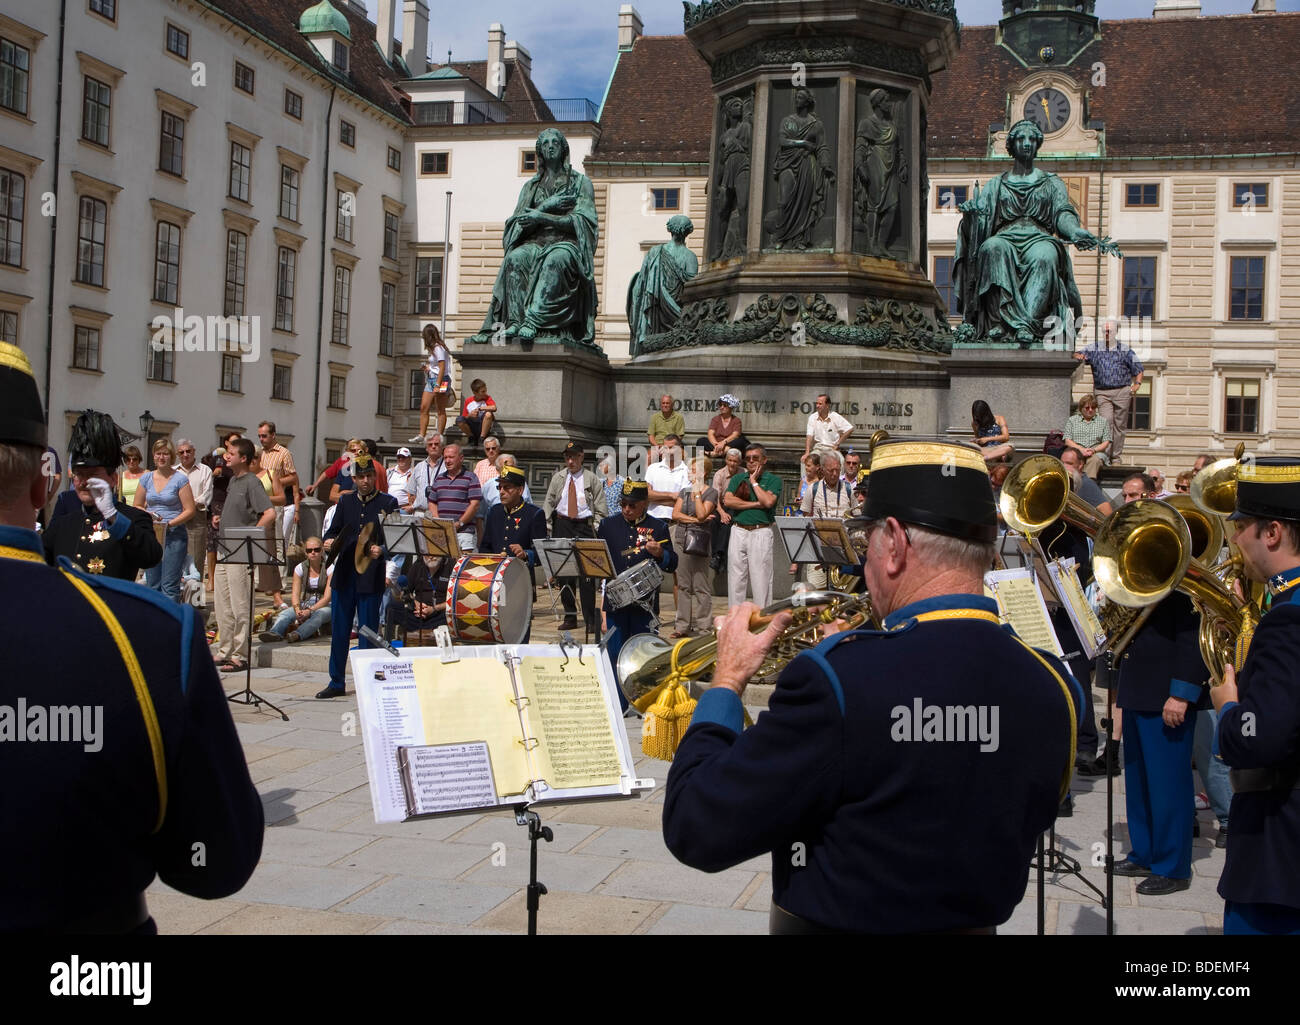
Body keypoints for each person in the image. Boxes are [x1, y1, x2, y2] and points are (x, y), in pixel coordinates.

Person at [663, 439, 1080, 933]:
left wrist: (728, 682)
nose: (863, 563)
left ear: (897, 543)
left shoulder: (837, 680)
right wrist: (859, 656)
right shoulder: (1056, 686)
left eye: (867, 544)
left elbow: (697, 825)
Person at [0, 341, 263, 933]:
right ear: (45, 489)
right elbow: (215, 864)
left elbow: (143, 550)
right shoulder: (158, 636)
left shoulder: (128, 523)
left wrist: (115, 513)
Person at [1107, 474, 1206, 895]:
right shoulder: (1143, 577)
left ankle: (1173, 866)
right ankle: (1144, 852)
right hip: (1139, 685)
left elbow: (1194, 638)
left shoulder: (1186, 584)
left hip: (1168, 691)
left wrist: (1182, 692)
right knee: (1141, 780)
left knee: (1169, 784)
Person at [1212, 458, 1300, 933]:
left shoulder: (1288, 618)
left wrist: (1228, 706)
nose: (1236, 541)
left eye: (1241, 526)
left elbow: (1260, 738)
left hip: (1278, 850)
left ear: (1271, 533)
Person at [955, 118, 1117, 347]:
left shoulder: (1051, 183)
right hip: (1005, 236)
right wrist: (970, 216)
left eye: (1032, 139)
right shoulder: (995, 185)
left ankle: (1027, 325)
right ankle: (1000, 324)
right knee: (992, 248)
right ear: (1011, 146)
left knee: (1045, 256)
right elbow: (978, 226)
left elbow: (1062, 213)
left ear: (1038, 145)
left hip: (1038, 237)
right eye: (1021, 138)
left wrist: (1075, 231)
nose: (1027, 143)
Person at [474, 127, 598, 347]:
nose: (550, 146)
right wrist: (547, 207)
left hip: (565, 243)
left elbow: (584, 223)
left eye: (555, 143)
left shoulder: (580, 183)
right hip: (534, 242)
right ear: (540, 151)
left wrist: (542, 217)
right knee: (515, 258)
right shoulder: (530, 187)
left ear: (563, 149)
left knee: (556, 259)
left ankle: (531, 321)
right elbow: (516, 226)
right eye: (545, 143)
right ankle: (514, 321)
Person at [44, 411, 162, 580]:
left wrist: (112, 516)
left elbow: (151, 556)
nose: (84, 482)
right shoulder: (64, 522)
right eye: (79, 475)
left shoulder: (133, 518)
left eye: (92, 474)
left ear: (113, 479)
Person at [320, 455, 398, 699]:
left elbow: (396, 540)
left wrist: (381, 550)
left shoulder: (389, 502)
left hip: (369, 576)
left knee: (367, 631)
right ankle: (336, 681)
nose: (365, 481)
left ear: (375, 477)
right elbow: (332, 532)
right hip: (344, 574)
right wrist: (328, 542)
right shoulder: (345, 503)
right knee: (340, 631)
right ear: (353, 478)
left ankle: (367, 682)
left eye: (369, 476)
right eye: (360, 477)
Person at [597, 480, 678, 711]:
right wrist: (602, 610)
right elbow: (602, 571)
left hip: (645, 607)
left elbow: (673, 564)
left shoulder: (658, 528)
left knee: (644, 658)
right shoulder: (608, 525)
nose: (626, 509)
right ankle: (618, 705)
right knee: (614, 655)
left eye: (632, 505)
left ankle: (645, 704)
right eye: (623, 504)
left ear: (644, 504)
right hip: (615, 605)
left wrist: (661, 552)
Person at [211, 438, 275, 673]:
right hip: (224, 550)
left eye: (231, 453)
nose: (226, 456)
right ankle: (225, 650)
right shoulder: (232, 481)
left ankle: (241, 654)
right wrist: (220, 519)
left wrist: (252, 534)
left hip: (240, 552)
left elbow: (269, 513)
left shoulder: (252, 482)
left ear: (244, 458)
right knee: (222, 605)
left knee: (240, 605)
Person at [542, 441, 607, 634]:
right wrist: (547, 524)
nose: (570, 461)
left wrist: (595, 526)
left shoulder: (592, 479)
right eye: (567, 457)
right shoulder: (558, 478)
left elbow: (601, 506)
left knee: (587, 576)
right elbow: (549, 502)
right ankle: (570, 615)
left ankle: (589, 619)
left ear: (581, 457)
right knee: (565, 574)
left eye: (574, 457)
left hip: (583, 526)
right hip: (562, 524)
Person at [482, 465, 548, 643]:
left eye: (507, 487)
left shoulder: (534, 514)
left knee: (517, 633)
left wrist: (526, 553)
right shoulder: (494, 512)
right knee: (496, 629)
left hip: (520, 583)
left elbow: (543, 554)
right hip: (496, 583)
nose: (502, 492)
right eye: (500, 487)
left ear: (520, 490)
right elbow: (485, 546)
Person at [763, 87, 834, 251]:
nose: (797, 100)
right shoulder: (787, 121)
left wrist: (826, 166)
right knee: (784, 200)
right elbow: (782, 141)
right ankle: (781, 236)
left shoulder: (816, 125)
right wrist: (803, 143)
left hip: (807, 164)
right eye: (796, 97)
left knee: (805, 202)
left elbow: (822, 147)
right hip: (787, 163)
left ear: (808, 101)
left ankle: (799, 239)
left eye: (800, 97)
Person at [135, 438, 196, 603]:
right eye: (158, 454)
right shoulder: (146, 479)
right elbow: (137, 505)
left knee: (169, 585)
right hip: (153, 534)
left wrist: (170, 523)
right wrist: (149, 516)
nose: (161, 457)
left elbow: (190, 510)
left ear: (171, 456)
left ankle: (171, 623)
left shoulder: (180, 479)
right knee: (152, 583)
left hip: (174, 534)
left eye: (165, 454)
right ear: (153, 456)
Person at [627, 218, 698, 357]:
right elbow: (692, 286)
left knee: (653, 338)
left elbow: (641, 284)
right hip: (678, 312)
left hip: (654, 306)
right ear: (688, 232)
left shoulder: (655, 252)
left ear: (669, 230)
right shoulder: (690, 257)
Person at [724, 443, 782, 609]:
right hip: (738, 529)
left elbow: (769, 501)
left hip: (760, 531)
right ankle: (735, 619)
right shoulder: (737, 478)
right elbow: (728, 500)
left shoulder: (773, 480)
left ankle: (761, 621)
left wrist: (753, 482)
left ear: (764, 460)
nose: (750, 462)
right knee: (735, 579)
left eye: (755, 458)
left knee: (761, 580)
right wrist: (756, 504)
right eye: (747, 459)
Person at [1073, 338, 1143, 463]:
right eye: (1105, 331)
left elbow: (1138, 367)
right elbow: (1077, 354)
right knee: (1106, 422)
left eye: (1110, 331)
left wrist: (1137, 384)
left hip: (1122, 391)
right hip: (1102, 392)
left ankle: (1115, 457)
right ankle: (1105, 456)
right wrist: (1079, 356)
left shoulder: (1125, 350)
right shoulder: (1095, 348)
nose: (1107, 334)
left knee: (1119, 425)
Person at [670, 456, 717, 639]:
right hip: (681, 539)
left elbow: (703, 511)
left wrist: (697, 493)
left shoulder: (711, 493)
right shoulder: (683, 491)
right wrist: (697, 520)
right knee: (683, 584)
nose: (690, 473)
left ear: (703, 472)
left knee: (700, 585)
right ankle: (682, 625)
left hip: (699, 541)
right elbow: (676, 514)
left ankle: (705, 627)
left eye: (693, 469)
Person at [795, 451, 852, 590]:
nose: (834, 474)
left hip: (843, 549)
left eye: (837, 470)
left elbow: (855, 517)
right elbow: (806, 517)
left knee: (842, 593)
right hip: (818, 549)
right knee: (816, 591)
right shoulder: (812, 489)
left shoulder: (848, 489)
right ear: (822, 469)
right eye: (830, 470)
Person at [259, 536, 332, 644]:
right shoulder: (300, 568)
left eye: (316, 550)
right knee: (286, 614)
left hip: (327, 605)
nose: (313, 553)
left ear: (322, 551)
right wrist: (297, 609)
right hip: (306, 603)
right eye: (309, 550)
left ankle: (297, 634)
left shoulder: (330, 568)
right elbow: (295, 594)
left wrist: (310, 610)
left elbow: (327, 598)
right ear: (305, 553)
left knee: (319, 615)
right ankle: (275, 632)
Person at [426, 443, 482, 554]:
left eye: (451, 457)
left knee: (463, 568)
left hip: (464, 533)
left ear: (461, 458)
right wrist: (440, 523)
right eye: (445, 457)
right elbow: (432, 502)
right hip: (442, 533)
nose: (447, 461)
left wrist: (459, 523)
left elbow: (475, 504)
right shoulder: (439, 478)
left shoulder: (471, 477)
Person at [203, 432, 241, 591]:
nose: (235, 444)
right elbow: (206, 477)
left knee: (229, 539)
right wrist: (214, 473)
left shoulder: (238, 460)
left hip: (232, 501)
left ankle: (226, 578)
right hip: (217, 501)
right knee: (212, 541)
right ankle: (211, 578)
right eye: (232, 442)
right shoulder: (216, 459)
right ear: (226, 443)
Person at [256, 421, 299, 556]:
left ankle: (280, 575)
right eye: (259, 436)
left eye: (264, 436)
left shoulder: (284, 453)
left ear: (273, 435)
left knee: (277, 541)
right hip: (259, 502)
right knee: (260, 539)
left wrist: (274, 482)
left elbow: (293, 478)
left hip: (275, 500)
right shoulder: (259, 453)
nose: (261, 439)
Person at [176, 439, 212, 578]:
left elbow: (206, 496)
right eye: (182, 452)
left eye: (188, 451)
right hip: (176, 517)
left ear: (194, 451)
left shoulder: (205, 470)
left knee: (196, 560)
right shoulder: (173, 471)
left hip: (196, 518)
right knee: (176, 559)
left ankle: (195, 599)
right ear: (178, 454)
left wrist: (188, 504)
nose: (185, 454)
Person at [411, 323, 453, 443]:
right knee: (424, 407)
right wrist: (428, 368)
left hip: (441, 380)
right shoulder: (434, 348)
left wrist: (437, 384)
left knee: (440, 409)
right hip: (432, 378)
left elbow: (442, 366)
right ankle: (421, 435)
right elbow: (437, 366)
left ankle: (439, 435)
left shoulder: (438, 348)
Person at [1063, 394, 1112, 480]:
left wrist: (1093, 450)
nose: (1090, 410)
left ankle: (1088, 484)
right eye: (1087, 408)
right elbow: (1067, 440)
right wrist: (1081, 450)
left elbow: (1106, 442)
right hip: (1076, 451)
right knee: (1072, 460)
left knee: (1094, 460)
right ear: (1081, 408)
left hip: (1096, 452)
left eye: (1093, 408)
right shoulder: (1072, 420)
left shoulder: (1103, 421)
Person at [710, 447, 742, 571]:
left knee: (727, 523)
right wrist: (722, 512)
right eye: (730, 460)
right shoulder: (719, 474)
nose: (732, 464)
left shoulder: (743, 473)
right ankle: (716, 555)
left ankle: (719, 555)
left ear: (739, 462)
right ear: (726, 460)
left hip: (737, 505)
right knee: (714, 521)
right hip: (721, 505)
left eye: (735, 461)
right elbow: (715, 497)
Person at [697, 393, 748, 461]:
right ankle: (722, 453)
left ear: (731, 407)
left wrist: (723, 443)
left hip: (729, 444)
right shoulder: (716, 419)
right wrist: (717, 445)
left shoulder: (736, 420)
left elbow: (735, 435)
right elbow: (710, 433)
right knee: (701, 441)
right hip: (716, 445)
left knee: (741, 441)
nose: (721, 407)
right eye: (720, 405)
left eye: (724, 405)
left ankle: (715, 454)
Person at [804, 394, 854, 459]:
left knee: (840, 461)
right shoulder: (812, 417)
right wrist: (807, 452)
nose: (817, 406)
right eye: (817, 403)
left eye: (820, 404)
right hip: (818, 449)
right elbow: (809, 435)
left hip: (832, 449)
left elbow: (850, 429)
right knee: (807, 461)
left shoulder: (835, 417)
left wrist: (837, 444)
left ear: (827, 405)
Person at [406, 434, 445, 514]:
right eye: (430, 444)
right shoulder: (419, 467)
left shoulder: (447, 467)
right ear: (426, 448)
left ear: (442, 447)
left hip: (440, 514)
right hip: (420, 513)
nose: (433, 447)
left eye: (436, 444)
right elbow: (411, 492)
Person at [456, 379, 497, 447]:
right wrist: (470, 415)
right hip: (472, 426)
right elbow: (464, 417)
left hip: (483, 425)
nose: (485, 393)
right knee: (459, 419)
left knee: (488, 414)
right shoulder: (468, 401)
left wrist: (481, 408)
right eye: (482, 391)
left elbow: (494, 408)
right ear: (475, 392)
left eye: (485, 390)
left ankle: (482, 438)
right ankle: (471, 437)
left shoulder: (487, 398)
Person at [647, 394, 685, 462]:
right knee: (649, 457)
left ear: (672, 405)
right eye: (663, 403)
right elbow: (651, 436)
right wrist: (658, 446)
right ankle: (648, 473)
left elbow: (679, 436)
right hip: (657, 446)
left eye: (667, 403)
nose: (665, 405)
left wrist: (668, 446)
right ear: (660, 405)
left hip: (672, 446)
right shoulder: (654, 417)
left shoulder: (679, 417)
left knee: (684, 455)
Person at [598, 454, 624, 522]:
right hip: (603, 523)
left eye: (601, 465)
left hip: (619, 522)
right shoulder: (600, 483)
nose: (599, 468)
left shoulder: (623, 483)